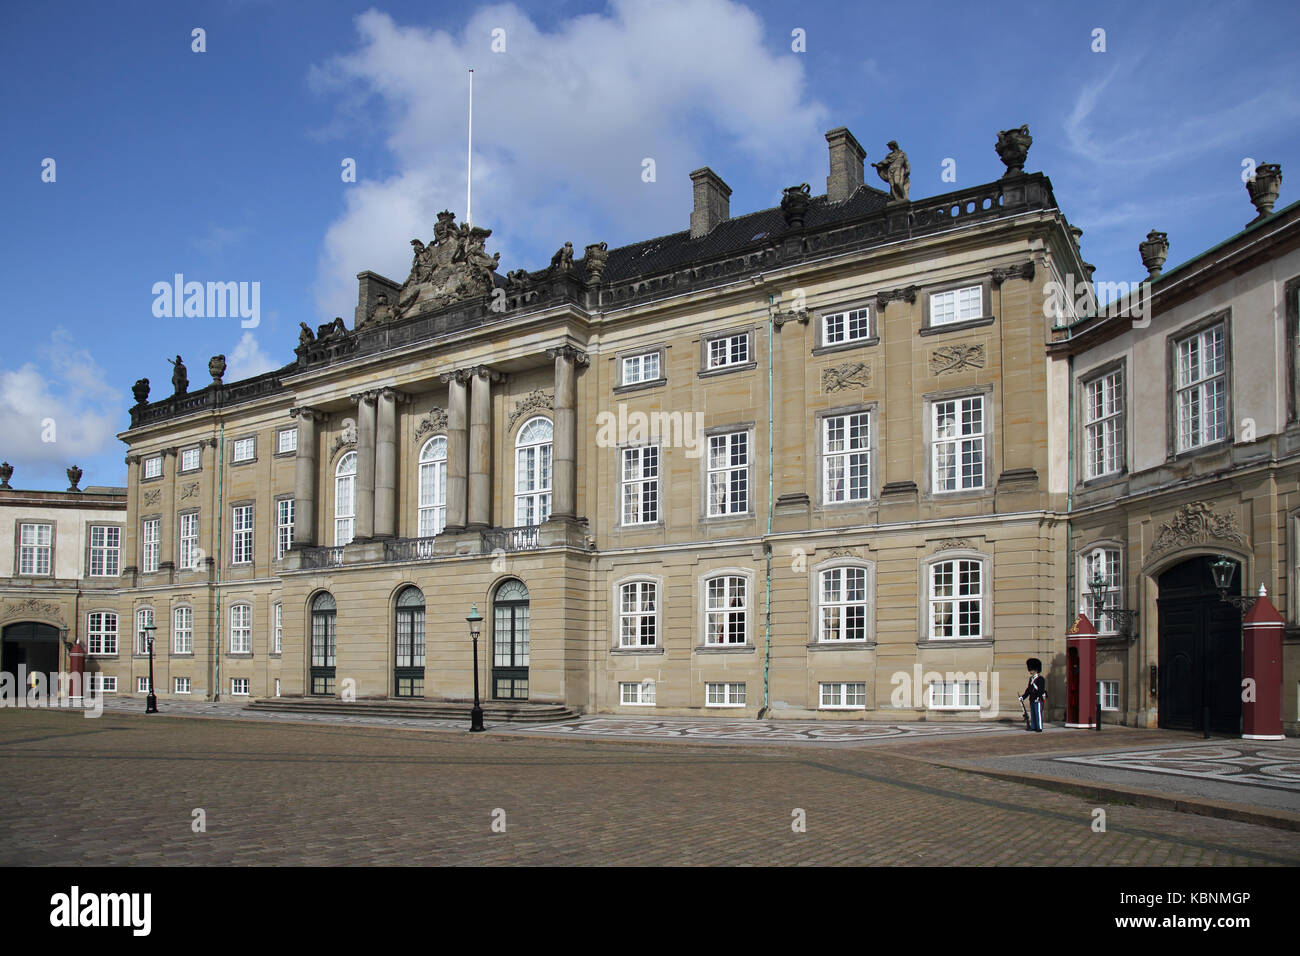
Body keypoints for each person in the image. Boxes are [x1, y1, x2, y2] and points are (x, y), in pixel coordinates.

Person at [1019, 658, 1047, 732]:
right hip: (1032, 698)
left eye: (1031, 669)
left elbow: (1041, 690)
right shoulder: (1031, 679)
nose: (1030, 671)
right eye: (1030, 669)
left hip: (1037, 699)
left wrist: (1038, 697)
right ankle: (1033, 726)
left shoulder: (1040, 679)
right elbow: (1028, 690)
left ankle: (1039, 727)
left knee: (1038, 713)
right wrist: (1023, 697)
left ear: (1036, 669)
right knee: (1033, 713)